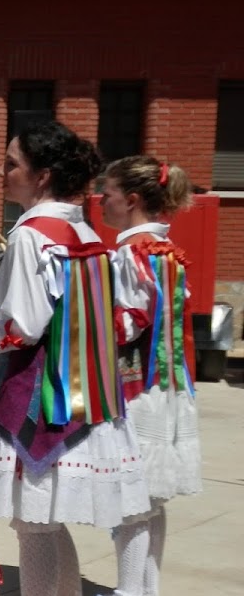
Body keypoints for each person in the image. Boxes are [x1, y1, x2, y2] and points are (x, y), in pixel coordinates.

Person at [0, 121, 152, 596]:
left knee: (33, 525)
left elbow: (22, 327)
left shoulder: (31, 236)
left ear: (42, 176)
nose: (2, 173)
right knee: (46, 521)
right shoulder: (81, 228)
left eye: (11, 164)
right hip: (86, 397)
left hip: (40, 400)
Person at [100, 156, 201, 596]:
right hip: (167, 385)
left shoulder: (133, 251)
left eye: (107, 193)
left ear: (132, 200)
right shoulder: (165, 250)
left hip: (137, 386)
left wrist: (82, 321)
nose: (100, 200)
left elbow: (130, 320)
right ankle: (145, 589)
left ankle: (129, 591)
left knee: (131, 502)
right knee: (149, 503)